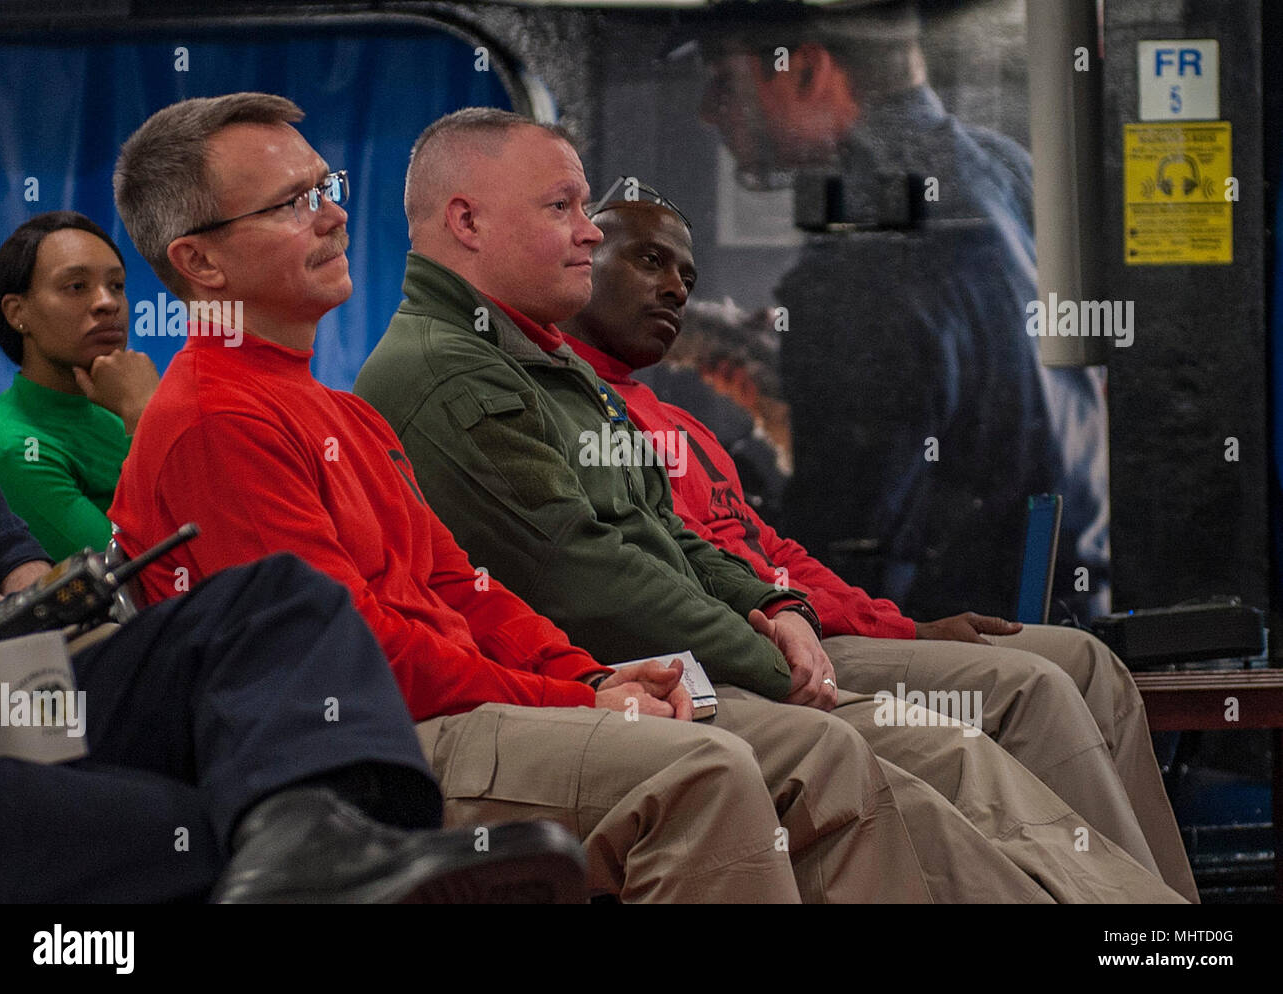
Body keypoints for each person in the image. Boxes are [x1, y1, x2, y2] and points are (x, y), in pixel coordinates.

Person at [105, 92, 926, 904]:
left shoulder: (339, 411)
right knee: (705, 772)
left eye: (327, 189)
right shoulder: (216, 422)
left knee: (814, 752)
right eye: (292, 204)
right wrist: (577, 697)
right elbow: (354, 664)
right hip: (377, 752)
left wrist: (594, 676)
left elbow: (466, 589)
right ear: (200, 263)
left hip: (458, 707)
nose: (330, 218)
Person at [353, 106, 1183, 903]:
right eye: (563, 207)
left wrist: (776, 605)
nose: (589, 228)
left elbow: (673, 540)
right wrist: (765, 661)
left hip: (672, 661)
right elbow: (582, 580)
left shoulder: (544, 370)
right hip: (618, 673)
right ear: (466, 221)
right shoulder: (452, 373)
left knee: (957, 747)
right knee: (882, 754)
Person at [559, 194, 1200, 903]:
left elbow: (774, 558)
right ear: (582, 258)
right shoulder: (584, 417)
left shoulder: (679, 424)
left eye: (687, 274)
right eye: (650, 261)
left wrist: (905, 623)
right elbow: (691, 580)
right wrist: (850, 629)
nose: (676, 287)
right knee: (1030, 689)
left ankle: (1165, 917)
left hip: (793, 633)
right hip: (738, 655)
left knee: (1086, 662)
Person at [0, 468, 585, 903]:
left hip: (13, 694)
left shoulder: (350, 414)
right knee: (202, 830)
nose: (108, 302)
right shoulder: (205, 412)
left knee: (279, 599)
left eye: (118, 282)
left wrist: (584, 680)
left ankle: (312, 844)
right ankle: (310, 862)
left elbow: (27, 576)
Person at [694, 0, 1110, 623]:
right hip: (1068, 620)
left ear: (807, 69)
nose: (709, 110)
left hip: (958, 651)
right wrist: (793, 404)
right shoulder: (1007, 168)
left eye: (725, 79)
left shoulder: (863, 249)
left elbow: (847, 544)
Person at [0, 211, 160, 560]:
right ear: (17, 312)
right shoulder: (13, 447)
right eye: (76, 286)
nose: (107, 303)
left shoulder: (112, 403)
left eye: (117, 286)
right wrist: (147, 417)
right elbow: (130, 577)